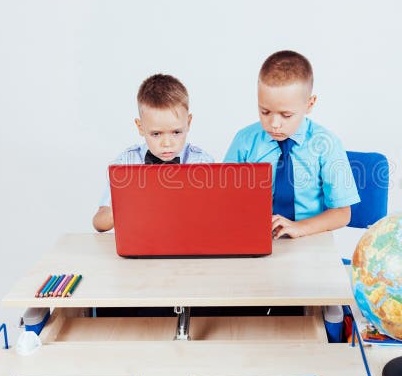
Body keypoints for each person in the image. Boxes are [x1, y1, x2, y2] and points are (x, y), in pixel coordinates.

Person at [223, 50, 360, 239]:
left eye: (286, 115)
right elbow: (224, 199)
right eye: (265, 111)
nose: (274, 124)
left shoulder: (326, 144)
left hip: (309, 238)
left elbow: (342, 214)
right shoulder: (245, 141)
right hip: (255, 238)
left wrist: (300, 227)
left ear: (309, 104)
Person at [92, 73, 213, 232]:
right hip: (141, 244)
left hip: (188, 243)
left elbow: (212, 216)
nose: (167, 143)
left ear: (188, 123)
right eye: (156, 134)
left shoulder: (202, 162)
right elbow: (99, 223)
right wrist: (129, 202)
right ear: (141, 127)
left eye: (176, 132)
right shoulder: (127, 162)